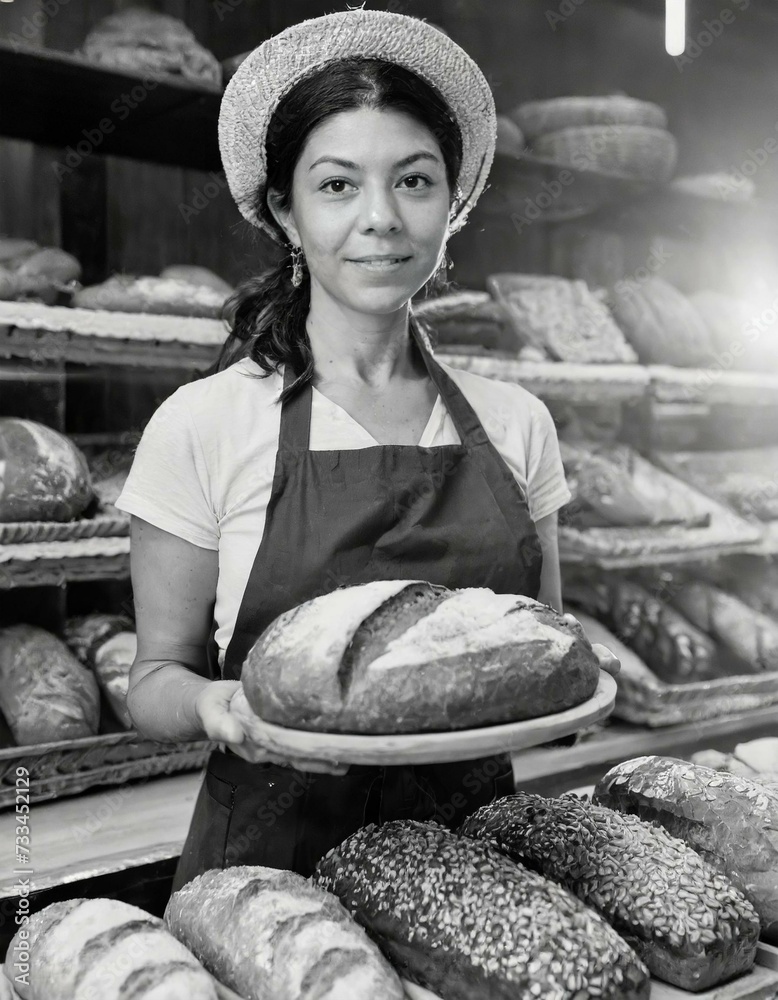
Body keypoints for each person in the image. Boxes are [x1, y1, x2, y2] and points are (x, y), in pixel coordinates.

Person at [116, 8, 619, 892]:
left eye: (415, 182)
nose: (381, 219)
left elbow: (545, 654)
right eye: (339, 185)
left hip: (476, 874)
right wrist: (215, 706)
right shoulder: (205, 423)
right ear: (284, 208)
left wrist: (581, 700)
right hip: (271, 881)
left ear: (453, 203)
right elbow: (152, 679)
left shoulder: (517, 423)